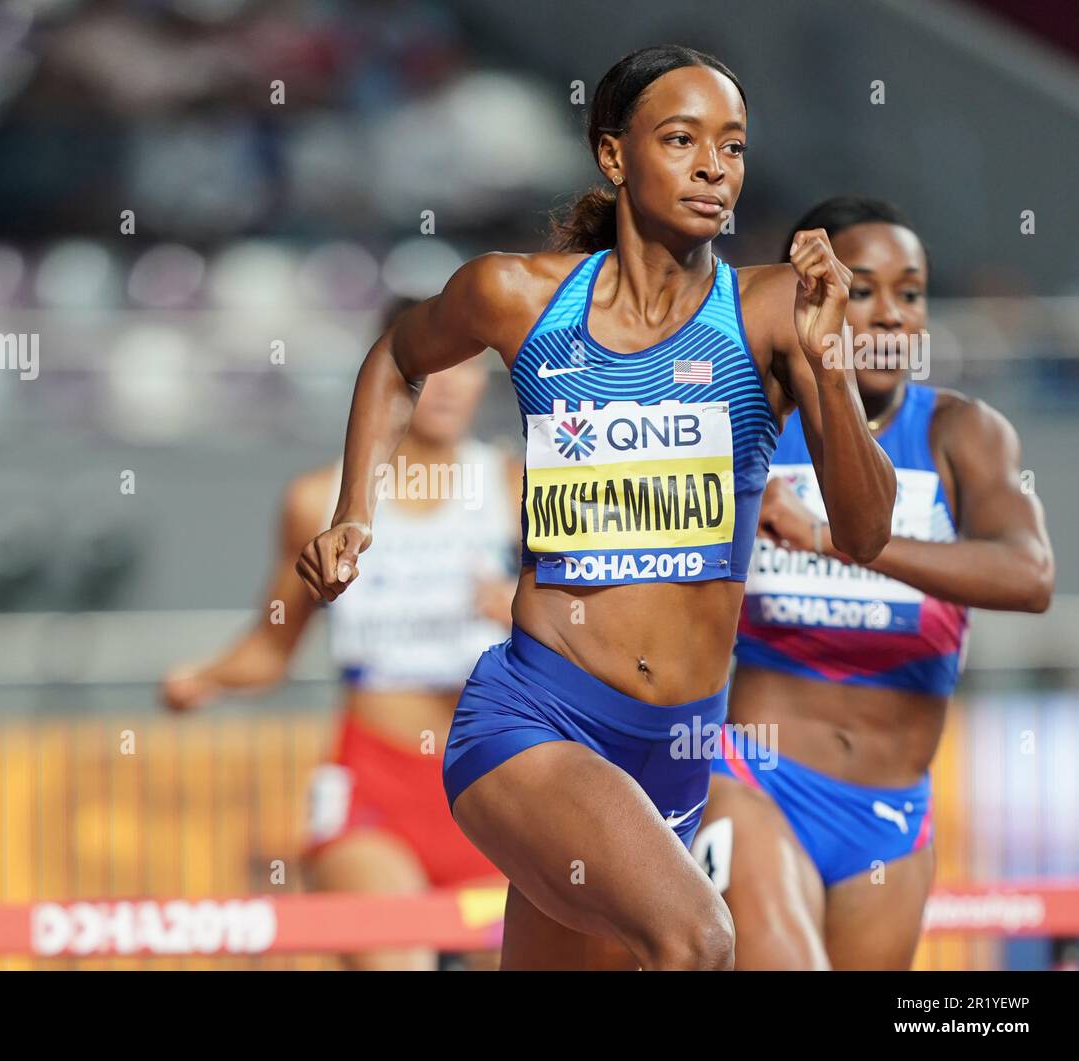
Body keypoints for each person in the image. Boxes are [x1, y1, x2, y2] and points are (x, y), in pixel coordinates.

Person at [295, 45, 897, 970]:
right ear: (614, 157)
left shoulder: (775, 309)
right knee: (697, 941)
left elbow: (865, 531)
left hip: (680, 745)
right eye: (681, 139)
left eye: (732, 146)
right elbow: (396, 359)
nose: (712, 166)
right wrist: (355, 513)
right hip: (537, 719)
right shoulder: (519, 296)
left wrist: (828, 364)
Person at [692, 195, 1055, 970]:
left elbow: (1028, 574)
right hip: (753, 778)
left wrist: (832, 540)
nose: (890, 316)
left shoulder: (963, 431)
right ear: (810, 297)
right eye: (861, 290)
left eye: (911, 291)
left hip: (892, 815)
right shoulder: (751, 422)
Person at [162, 298, 519, 970]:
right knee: (398, 957)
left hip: (493, 782)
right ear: (391, 372)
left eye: (466, 366)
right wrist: (204, 679)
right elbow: (272, 645)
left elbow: (590, 626)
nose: (448, 383)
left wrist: (529, 610)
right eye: (429, 366)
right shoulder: (317, 500)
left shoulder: (512, 485)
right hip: (376, 785)